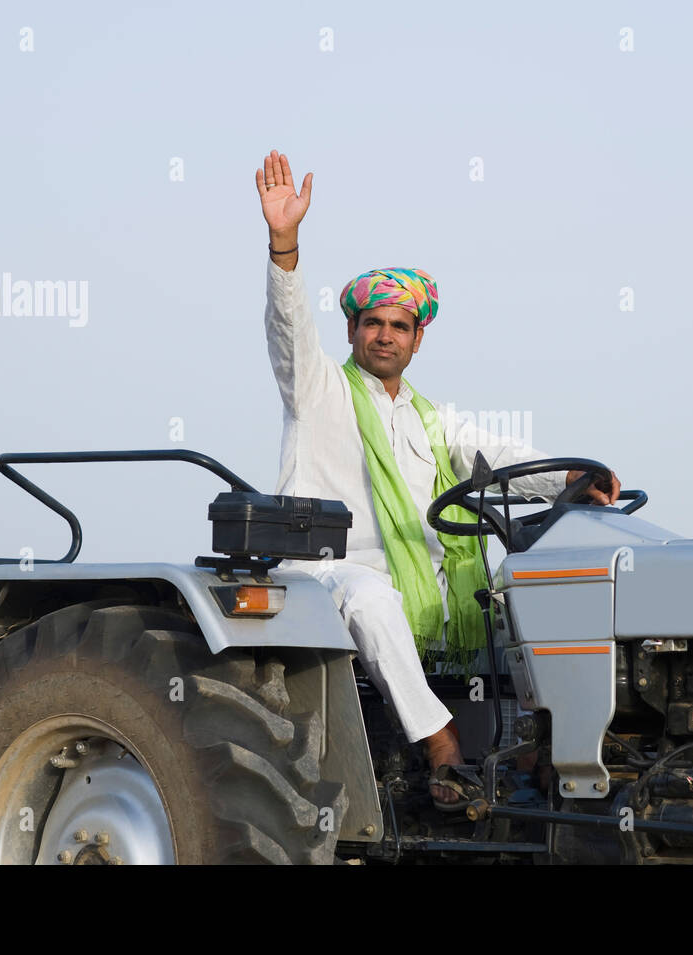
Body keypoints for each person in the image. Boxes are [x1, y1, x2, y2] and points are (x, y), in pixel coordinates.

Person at [256, 149, 620, 808]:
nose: (385, 335)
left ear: (417, 338)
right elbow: (289, 335)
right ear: (353, 329)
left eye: (399, 325)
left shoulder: (431, 419)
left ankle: (544, 745)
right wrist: (286, 246)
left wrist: (569, 474)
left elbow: (496, 455)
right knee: (372, 596)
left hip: (423, 578)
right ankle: (441, 742)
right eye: (373, 323)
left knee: (517, 591)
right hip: (329, 569)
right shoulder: (320, 390)